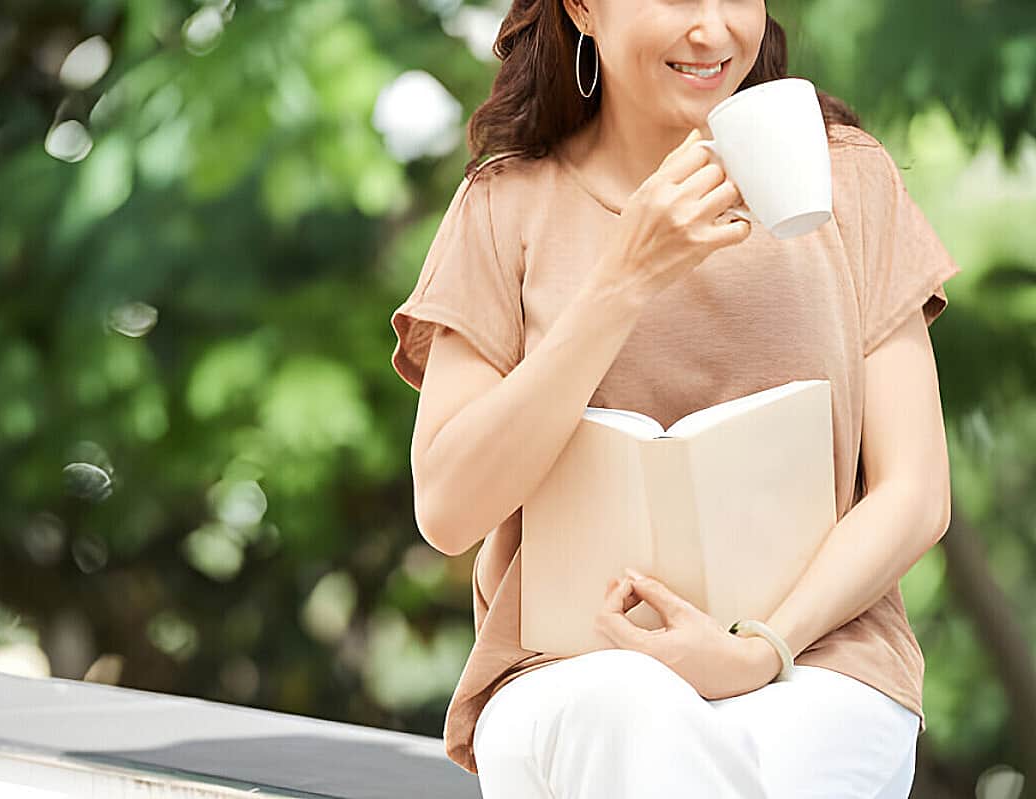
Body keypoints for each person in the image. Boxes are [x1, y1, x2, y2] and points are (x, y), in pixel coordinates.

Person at [388, 0, 962, 795]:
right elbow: (447, 509)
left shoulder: (850, 179)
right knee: (634, 707)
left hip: (818, 667)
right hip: (569, 674)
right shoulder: (505, 205)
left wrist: (759, 649)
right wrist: (622, 282)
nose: (714, 28)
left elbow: (917, 492)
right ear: (582, 8)